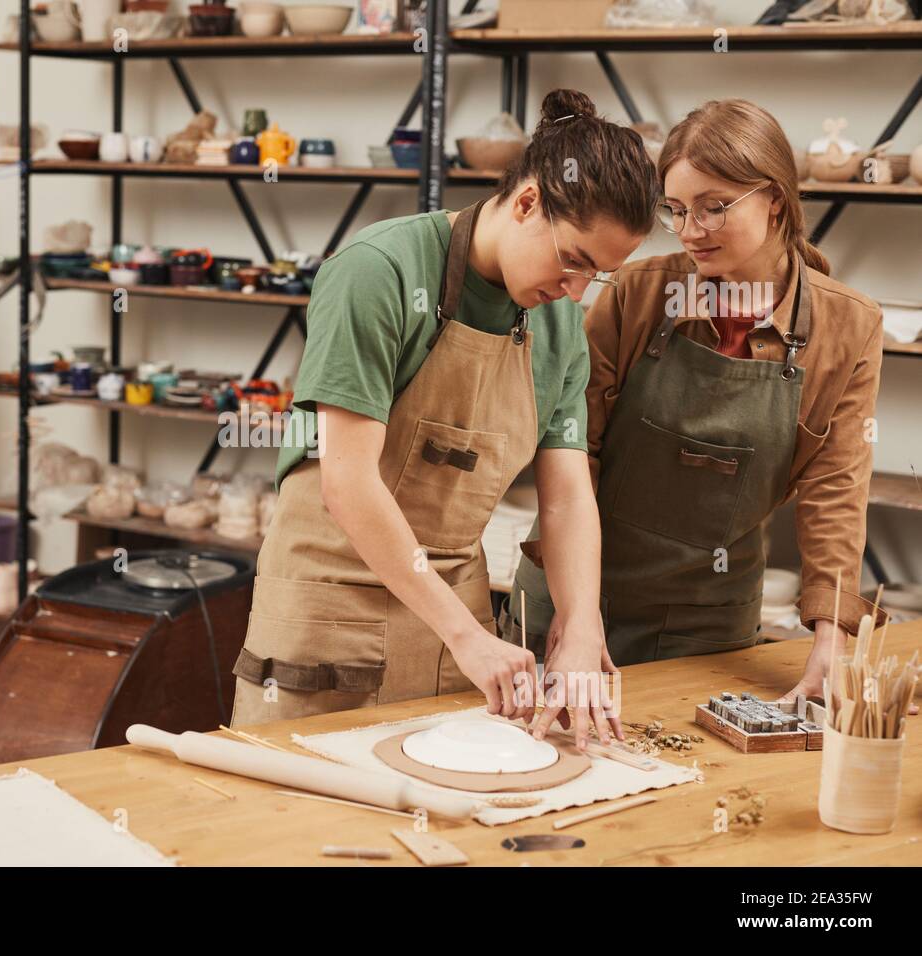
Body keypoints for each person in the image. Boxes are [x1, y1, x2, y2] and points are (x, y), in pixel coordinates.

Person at [230, 90, 661, 748]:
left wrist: (580, 627)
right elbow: (347, 481)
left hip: (454, 619)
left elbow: (570, 496)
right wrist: (466, 635)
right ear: (526, 203)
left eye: (598, 275)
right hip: (332, 601)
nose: (576, 291)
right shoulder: (379, 273)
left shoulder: (560, 328)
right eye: (574, 260)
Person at [501, 99, 886, 706]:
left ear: (775, 199)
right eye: (676, 211)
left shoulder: (848, 326)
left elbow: (836, 489)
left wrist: (832, 638)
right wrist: (578, 615)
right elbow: (574, 448)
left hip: (709, 619)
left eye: (713, 209)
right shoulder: (638, 292)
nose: (689, 231)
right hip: (577, 593)